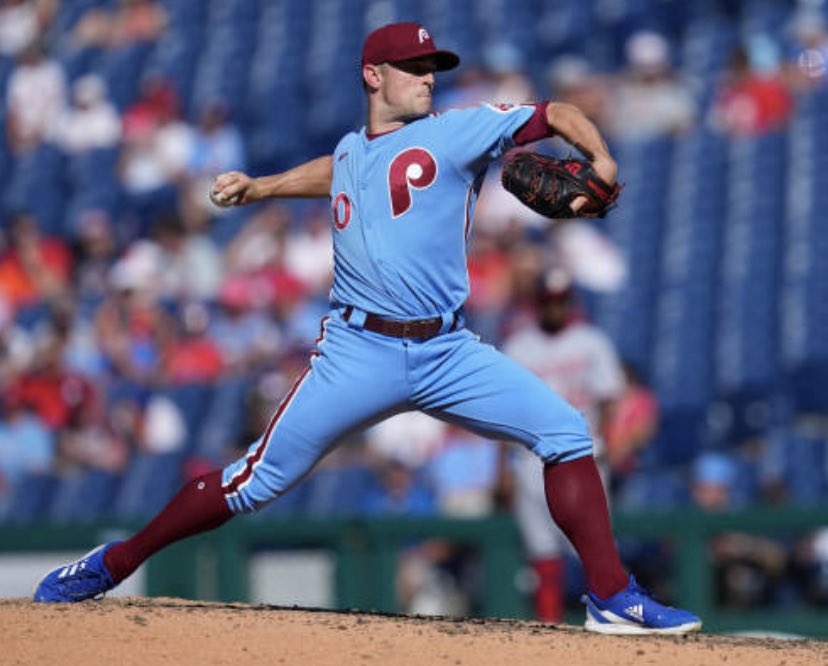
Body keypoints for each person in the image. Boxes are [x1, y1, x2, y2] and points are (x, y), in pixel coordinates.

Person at [33, 21, 701, 635]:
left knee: (565, 434)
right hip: (358, 350)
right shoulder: (353, 149)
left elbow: (556, 112)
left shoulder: (458, 128)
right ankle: (113, 563)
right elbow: (341, 170)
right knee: (251, 483)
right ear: (373, 75)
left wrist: (603, 159)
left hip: (446, 349)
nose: (427, 77)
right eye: (412, 66)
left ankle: (612, 596)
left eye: (431, 66)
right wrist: (263, 188)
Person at [502, 270, 625, 622]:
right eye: (549, 301)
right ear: (538, 303)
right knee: (541, 547)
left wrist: (610, 440)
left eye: (561, 300)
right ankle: (549, 625)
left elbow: (608, 397)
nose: (555, 307)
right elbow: (506, 409)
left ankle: (604, 617)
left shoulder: (591, 341)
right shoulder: (519, 346)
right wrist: (501, 467)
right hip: (530, 458)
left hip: (585, 453)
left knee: (594, 545)